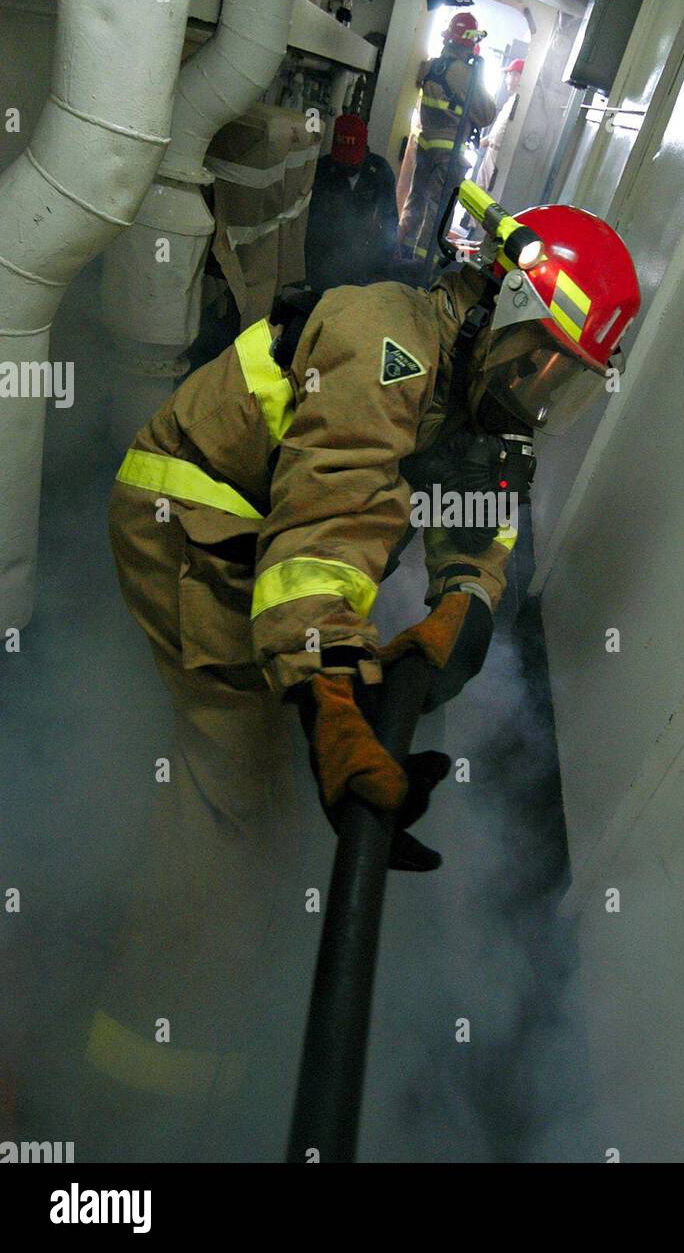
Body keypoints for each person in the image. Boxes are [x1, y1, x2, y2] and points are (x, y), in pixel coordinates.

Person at [84, 179, 641, 1155]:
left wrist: (460, 607)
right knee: (233, 806)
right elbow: (322, 536)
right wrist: (331, 704)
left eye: (568, 382)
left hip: (273, 537)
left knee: (281, 730)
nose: (540, 395)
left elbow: (476, 516)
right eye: (541, 364)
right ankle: (138, 1100)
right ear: (505, 309)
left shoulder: (479, 377)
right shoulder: (382, 346)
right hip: (200, 531)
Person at [397, 13, 496, 265]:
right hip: (449, 155)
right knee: (437, 210)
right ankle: (421, 267)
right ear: (468, 44)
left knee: (415, 200)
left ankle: (401, 253)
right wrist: (479, 76)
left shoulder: (430, 66)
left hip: (425, 148)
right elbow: (486, 114)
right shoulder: (466, 74)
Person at [303, 113, 397, 294]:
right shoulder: (323, 170)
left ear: (364, 151)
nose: (346, 168)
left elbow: (389, 222)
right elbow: (310, 224)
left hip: (363, 265)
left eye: (352, 161)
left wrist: (381, 271)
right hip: (326, 265)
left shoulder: (380, 172)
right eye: (342, 161)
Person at [475, 57, 524, 196]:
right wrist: (483, 141)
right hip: (491, 153)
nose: (506, 78)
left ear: (517, 77)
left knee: (486, 198)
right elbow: (499, 130)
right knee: (478, 195)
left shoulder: (519, 103)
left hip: (499, 157)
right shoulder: (511, 100)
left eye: (510, 74)